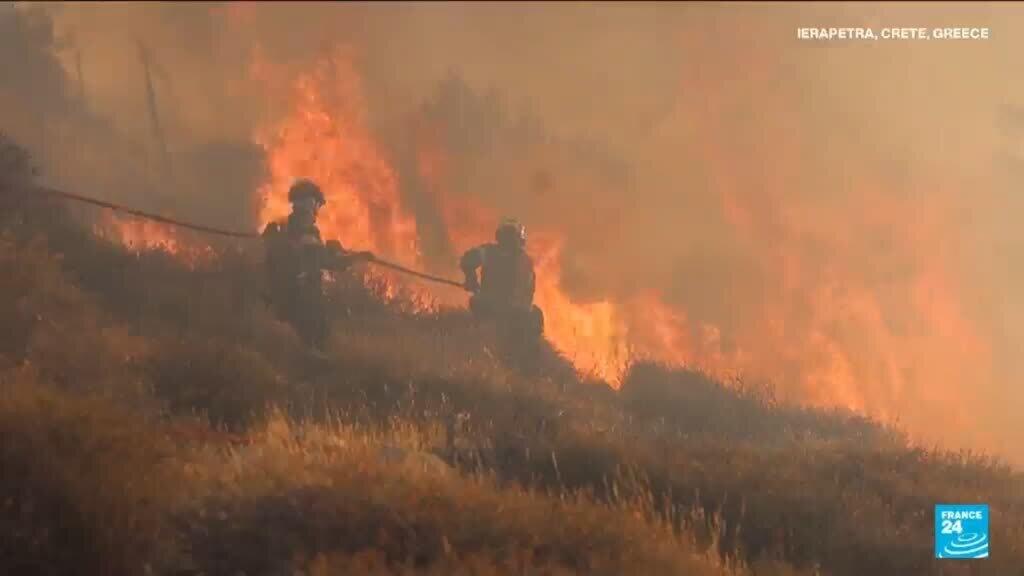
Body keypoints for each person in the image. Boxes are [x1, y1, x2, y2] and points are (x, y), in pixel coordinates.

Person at [262, 179, 374, 350]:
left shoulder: (283, 227)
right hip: (303, 301)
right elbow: (328, 262)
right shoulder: (304, 231)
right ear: (308, 203)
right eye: (317, 205)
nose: (317, 212)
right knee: (317, 341)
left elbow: (314, 253)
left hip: (282, 298)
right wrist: (358, 257)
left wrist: (334, 249)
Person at [460, 218, 545, 368]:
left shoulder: (490, 252)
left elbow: (468, 260)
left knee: (476, 301)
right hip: (512, 313)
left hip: (496, 309)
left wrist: (471, 279)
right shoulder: (525, 261)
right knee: (536, 315)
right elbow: (529, 292)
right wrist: (472, 279)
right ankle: (529, 354)